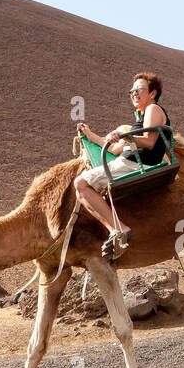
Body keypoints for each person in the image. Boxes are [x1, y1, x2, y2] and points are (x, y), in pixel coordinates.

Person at [74, 72, 171, 258]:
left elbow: (149, 142)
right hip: (129, 161)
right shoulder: (142, 117)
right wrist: (91, 134)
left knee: (80, 184)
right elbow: (115, 150)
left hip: (135, 164)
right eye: (131, 91)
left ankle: (118, 229)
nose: (134, 93)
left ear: (152, 93)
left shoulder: (152, 109)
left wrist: (126, 136)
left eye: (139, 90)